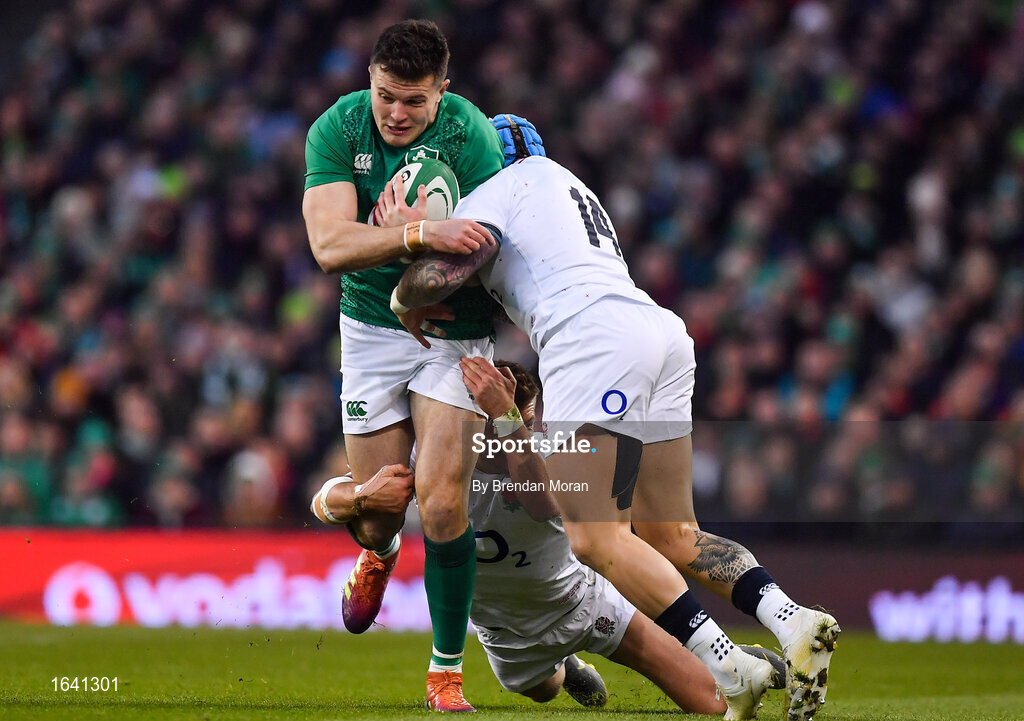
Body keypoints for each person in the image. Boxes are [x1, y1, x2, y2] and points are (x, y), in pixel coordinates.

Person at [389, 151, 841, 721]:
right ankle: (790, 618)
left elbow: (453, 263)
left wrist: (402, 295)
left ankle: (727, 663)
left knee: (596, 537)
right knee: (672, 532)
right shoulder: (569, 188)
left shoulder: (495, 191)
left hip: (591, 336)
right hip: (659, 332)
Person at [311, 357, 786, 715]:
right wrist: (359, 498)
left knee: (708, 704)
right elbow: (326, 498)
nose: (531, 427)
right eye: (505, 420)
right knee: (544, 690)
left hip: (582, 604)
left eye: (529, 417)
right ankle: (569, 668)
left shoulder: (556, 450)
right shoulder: (439, 465)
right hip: (504, 635)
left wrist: (510, 420)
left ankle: (728, 656)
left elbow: (543, 501)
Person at [301, 19, 505, 712]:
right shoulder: (337, 129)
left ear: (442, 92)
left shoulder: (472, 138)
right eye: (387, 95)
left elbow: (495, 251)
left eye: (414, 101)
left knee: (442, 500)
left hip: (455, 329)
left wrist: (433, 286)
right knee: (379, 512)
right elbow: (328, 245)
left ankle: (445, 674)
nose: (397, 113)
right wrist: (417, 237)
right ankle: (378, 553)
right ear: (370, 79)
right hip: (368, 327)